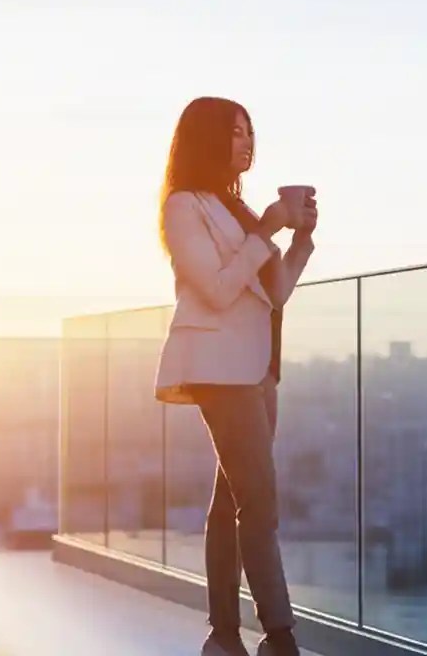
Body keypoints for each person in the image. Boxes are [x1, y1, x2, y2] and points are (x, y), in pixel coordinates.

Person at [154, 96, 317, 656]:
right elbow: (218, 290)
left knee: (232, 503)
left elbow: (274, 293)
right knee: (259, 501)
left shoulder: (236, 209)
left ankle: (223, 635)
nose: (247, 142)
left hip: (258, 369)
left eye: (250, 132)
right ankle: (280, 635)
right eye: (236, 131)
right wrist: (267, 228)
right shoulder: (184, 206)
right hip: (219, 370)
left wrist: (299, 240)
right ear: (207, 138)